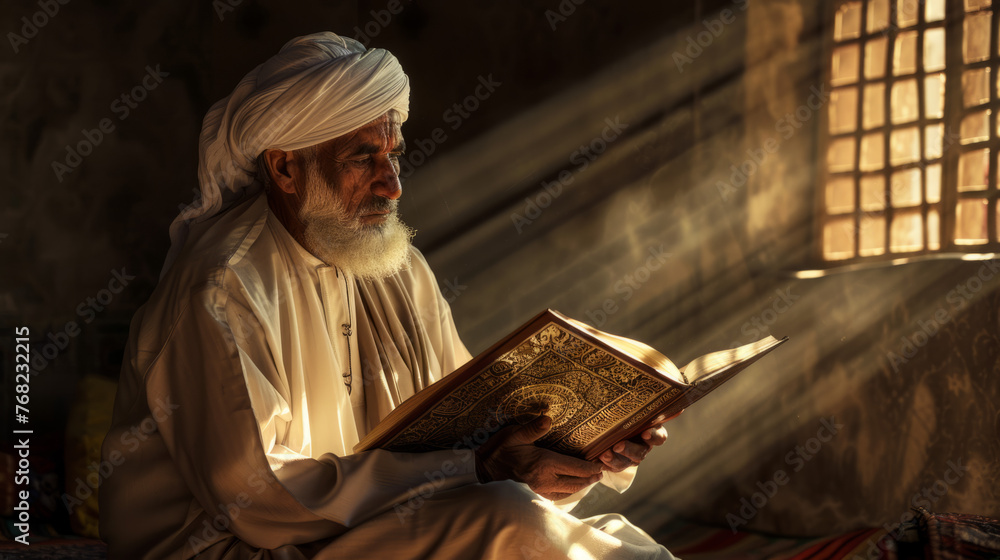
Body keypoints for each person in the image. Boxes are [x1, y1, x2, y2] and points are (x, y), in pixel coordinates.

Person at [99, 32, 677, 559]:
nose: (393, 185)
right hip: (237, 549)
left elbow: (471, 431)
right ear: (285, 168)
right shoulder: (223, 289)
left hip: (363, 532)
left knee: (595, 533)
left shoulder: (398, 268)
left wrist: (581, 449)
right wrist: (476, 470)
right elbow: (257, 502)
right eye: (362, 159)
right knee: (508, 523)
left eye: (393, 155)